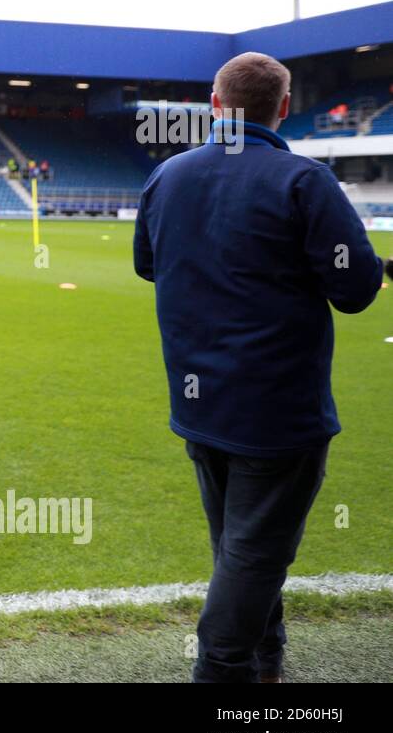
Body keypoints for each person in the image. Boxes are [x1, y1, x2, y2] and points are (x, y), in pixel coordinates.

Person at [134, 51, 388, 683]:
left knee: (243, 553)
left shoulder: (168, 176)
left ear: (215, 107)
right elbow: (356, 290)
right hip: (277, 413)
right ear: (282, 107)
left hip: (198, 405)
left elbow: (148, 263)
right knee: (253, 555)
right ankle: (221, 674)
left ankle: (264, 665)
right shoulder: (303, 180)